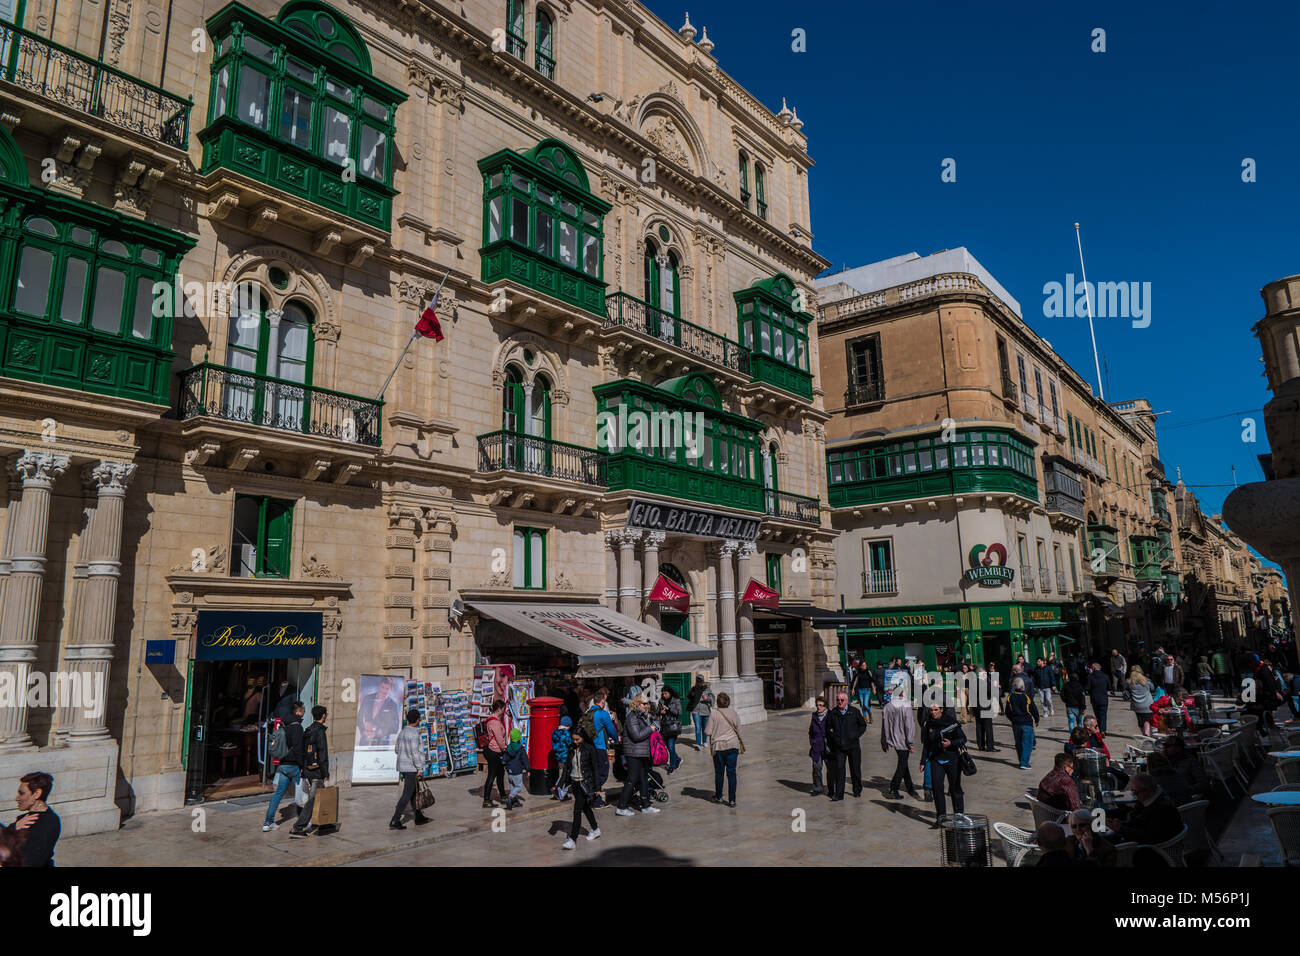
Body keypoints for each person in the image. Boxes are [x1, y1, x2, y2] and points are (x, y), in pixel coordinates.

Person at [919, 704, 967, 825]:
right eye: (931, 710)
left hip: (952, 759)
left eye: (936, 710)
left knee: (955, 788)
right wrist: (923, 761)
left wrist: (951, 743)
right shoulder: (929, 724)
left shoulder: (951, 722)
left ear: (941, 710)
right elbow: (926, 744)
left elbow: (963, 739)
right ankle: (941, 817)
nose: (933, 712)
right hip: (936, 760)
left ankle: (959, 816)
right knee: (937, 788)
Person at [262, 701, 305, 832]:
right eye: (303, 710)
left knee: (278, 794)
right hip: (294, 766)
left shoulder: (284, 724)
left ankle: (268, 823)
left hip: (283, 764)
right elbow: (298, 748)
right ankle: (304, 822)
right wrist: (303, 765)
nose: (304, 712)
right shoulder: (296, 726)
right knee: (303, 795)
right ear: (298, 712)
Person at [291, 705, 331, 838]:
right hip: (317, 771)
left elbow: (302, 751)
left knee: (319, 796)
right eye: (326, 714)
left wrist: (303, 768)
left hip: (308, 769)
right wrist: (325, 773)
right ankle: (298, 827)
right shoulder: (319, 731)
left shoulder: (308, 730)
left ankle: (324, 822)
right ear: (323, 716)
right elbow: (323, 754)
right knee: (313, 799)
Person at [615, 694, 658, 816]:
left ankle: (646, 806)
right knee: (632, 779)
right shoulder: (632, 717)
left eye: (647, 703)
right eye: (644, 704)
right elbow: (636, 735)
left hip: (642, 752)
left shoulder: (643, 717)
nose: (646, 706)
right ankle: (621, 807)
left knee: (644, 778)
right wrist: (650, 729)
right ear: (637, 704)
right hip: (633, 752)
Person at [559, 725, 600, 850]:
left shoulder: (590, 749)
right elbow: (567, 768)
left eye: (577, 739)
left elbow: (595, 769)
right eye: (573, 739)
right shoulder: (571, 748)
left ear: (583, 738)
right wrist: (560, 784)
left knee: (577, 810)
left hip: (585, 784)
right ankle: (595, 829)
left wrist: (597, 788)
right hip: (575, 783)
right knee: (585, 807)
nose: (575, 742)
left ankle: (572, 839)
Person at [5, 772, 59, 866]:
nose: (17, 798)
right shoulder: (50, 818)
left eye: (22, 793)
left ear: (36, 794)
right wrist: (14, 827)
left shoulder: (40, 825)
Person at [1114, 773, 1183, 845]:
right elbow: (1138, 822)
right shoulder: (1149, 799)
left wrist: (1121, 829)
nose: (1134, 794)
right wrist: (1121, 824)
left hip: (1156, 850)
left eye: (1136, 792)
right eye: (1132, 790)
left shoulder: (1161, 809)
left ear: (1148, 791)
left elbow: (1147, 837)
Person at [824, 690, 867, 801]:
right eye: (838, 700)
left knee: (855, 770)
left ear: (847, 701)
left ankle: (857, 790)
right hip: (839, 747)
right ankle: (839, 794)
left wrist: (855, 735)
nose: (839, 702)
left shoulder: (854, 712)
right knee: (840, 770)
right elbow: (828, 728)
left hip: (853, 746)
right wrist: (834, 737)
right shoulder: (833, 713)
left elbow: (863, 725)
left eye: (842, 700)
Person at [391, 708, 429, 829]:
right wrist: (420, 768)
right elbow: (415, 753)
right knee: (407, 794)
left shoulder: (402, 732)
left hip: (403, 766)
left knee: (413, 792)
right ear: (417, 720)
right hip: (411, 768)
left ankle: (418, 816)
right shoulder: (414, 734)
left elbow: (397, 749)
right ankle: (395, 819)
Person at [581, 690, 619, 807]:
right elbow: (612, 730)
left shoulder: (587, 713)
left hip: (588, 748)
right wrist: (617, 739)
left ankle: (596, 801)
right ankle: (589, 791)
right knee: (603, 773)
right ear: (602, 701)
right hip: (599, 747)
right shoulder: (603, 714)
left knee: (594, 773)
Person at [881, 682, 919, 799]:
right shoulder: (905, 705)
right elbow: (909, 726)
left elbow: (884, 725)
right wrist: (910, 742)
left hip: (893, 739)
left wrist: (884, 740)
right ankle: (894, 787)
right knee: (902, 765)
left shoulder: (887, 706)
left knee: (904, 763)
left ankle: (910, 787)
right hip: (903, 740)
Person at [705, 692, 742, 807]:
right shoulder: (733, 713)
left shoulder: (714, 714)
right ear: (728, 702)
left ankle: (719, 797)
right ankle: (732, 800)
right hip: (732, 746)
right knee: (732, 773)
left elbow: (707, 731)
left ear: (717, 702)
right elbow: (739, 729)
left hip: (719, 747)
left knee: (719, 773)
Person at [1005, 677, 1040, 770]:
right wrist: (1037, 719)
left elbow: (1007, 712)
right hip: (1026, 723)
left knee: (1018, 743)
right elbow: (1033, 709)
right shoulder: (1026, 697)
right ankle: (1024, 763)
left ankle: (1021, 760)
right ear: (1023, 687)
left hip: (1016, 724)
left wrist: (1013, 719)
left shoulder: (1010, 697)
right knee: (1027, 744)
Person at [481, 700, 509, 808]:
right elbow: (499, 739)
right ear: (500, 708)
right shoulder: (495, 722)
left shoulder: (490, 719)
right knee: (492, 775)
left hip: (493, 751)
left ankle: (502, 796)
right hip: (495, 751)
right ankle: (486, 800)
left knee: (500, 774)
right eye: (503, 708)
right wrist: (505, 748)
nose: (504, 711)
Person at [358, 676, 400, 746]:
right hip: (365, 741)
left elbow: (395, 727)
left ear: (391, 689)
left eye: (387, 688)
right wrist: (363, 731)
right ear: (379, 685)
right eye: (382, 687)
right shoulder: (367, 698)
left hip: (382, 743)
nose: (383, 691)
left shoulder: (393, 705)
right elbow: (359, 718)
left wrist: (377, 731)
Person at [654, 687, 683, 772]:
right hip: (664, 726)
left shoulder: (676, 700)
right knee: (668, 746)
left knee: (671, 746)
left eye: (666, 693)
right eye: (663, 693)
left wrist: (669, 709)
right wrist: (660, 712)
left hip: (673, 726)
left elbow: (679, 712)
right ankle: (677, 759)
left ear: (670, 693)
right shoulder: (661, 701)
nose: (664, 695)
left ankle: (672, 766)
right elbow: (657, 712)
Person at [975, 664, 1000, 752]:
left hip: (977, 708)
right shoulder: (984, 683)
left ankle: (981, 745)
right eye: (985, 673)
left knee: (979, 727)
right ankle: (990, 746)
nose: (986, 675)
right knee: (988, 727)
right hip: (985, 707)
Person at [808, 696, 829, 796]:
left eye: (821, 705)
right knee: (816, 768)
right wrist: (813, 742)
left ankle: (832, 788)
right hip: (816, 747)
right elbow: (810, 732)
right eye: (817, 705)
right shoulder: (814, 716)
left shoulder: (830, 716)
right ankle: (817, 787)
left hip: (828, 747)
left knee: (831, 769)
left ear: (825, 706)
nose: (818, 707)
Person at [503, 728, 528, 809]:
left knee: (512, 787)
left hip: (509, 771)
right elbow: (525, 759)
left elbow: (504, 759)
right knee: (518, 786)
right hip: (517, 771)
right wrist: (528, 769)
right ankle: (510, 797)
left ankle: (514, 802)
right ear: (519, 738)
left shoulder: (508, 747)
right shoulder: (520, 748)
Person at [1128, 666, 1155, 737]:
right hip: (1148, 704)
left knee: (1140, 721)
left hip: (1136, 705)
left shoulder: (1129, 682)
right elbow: (1152, 688)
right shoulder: (1147, 681)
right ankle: (1147, 733)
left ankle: (1144, 734)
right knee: (1147, 720)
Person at [551, 716, 573, 800]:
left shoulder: (554, 732)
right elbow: (570, 743)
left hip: (558, 756)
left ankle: (558, 789)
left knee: (562, 773)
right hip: (566, 756)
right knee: (565, 774)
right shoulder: (566, 733)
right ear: (567, 725)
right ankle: (559, 789)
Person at [1085, 662, 1110, 732]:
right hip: (1104, 699)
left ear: (1093, 668)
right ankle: (1103, 730)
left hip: (1094, 699)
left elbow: (1087, 687)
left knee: (1097, 715)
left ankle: (1100, 728)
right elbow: (1109, 687)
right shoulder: (1105, 676)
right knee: (1103, 715)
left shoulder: (1090, 676)